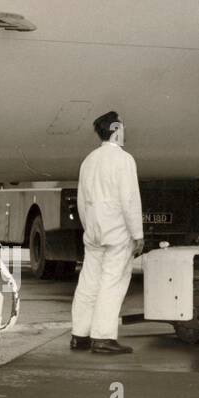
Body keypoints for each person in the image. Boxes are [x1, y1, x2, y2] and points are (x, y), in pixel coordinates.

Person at [70, 111, 144, 355]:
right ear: (115, 129)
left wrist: (89, 227)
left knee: (88, 282)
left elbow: (82, 200)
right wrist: (137, 234)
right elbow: (129, 200)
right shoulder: (124, 160)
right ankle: (102, 338)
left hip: (93, 232)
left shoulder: (88, 160)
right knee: (112, 283)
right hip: (117, 233)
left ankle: (79, 335)